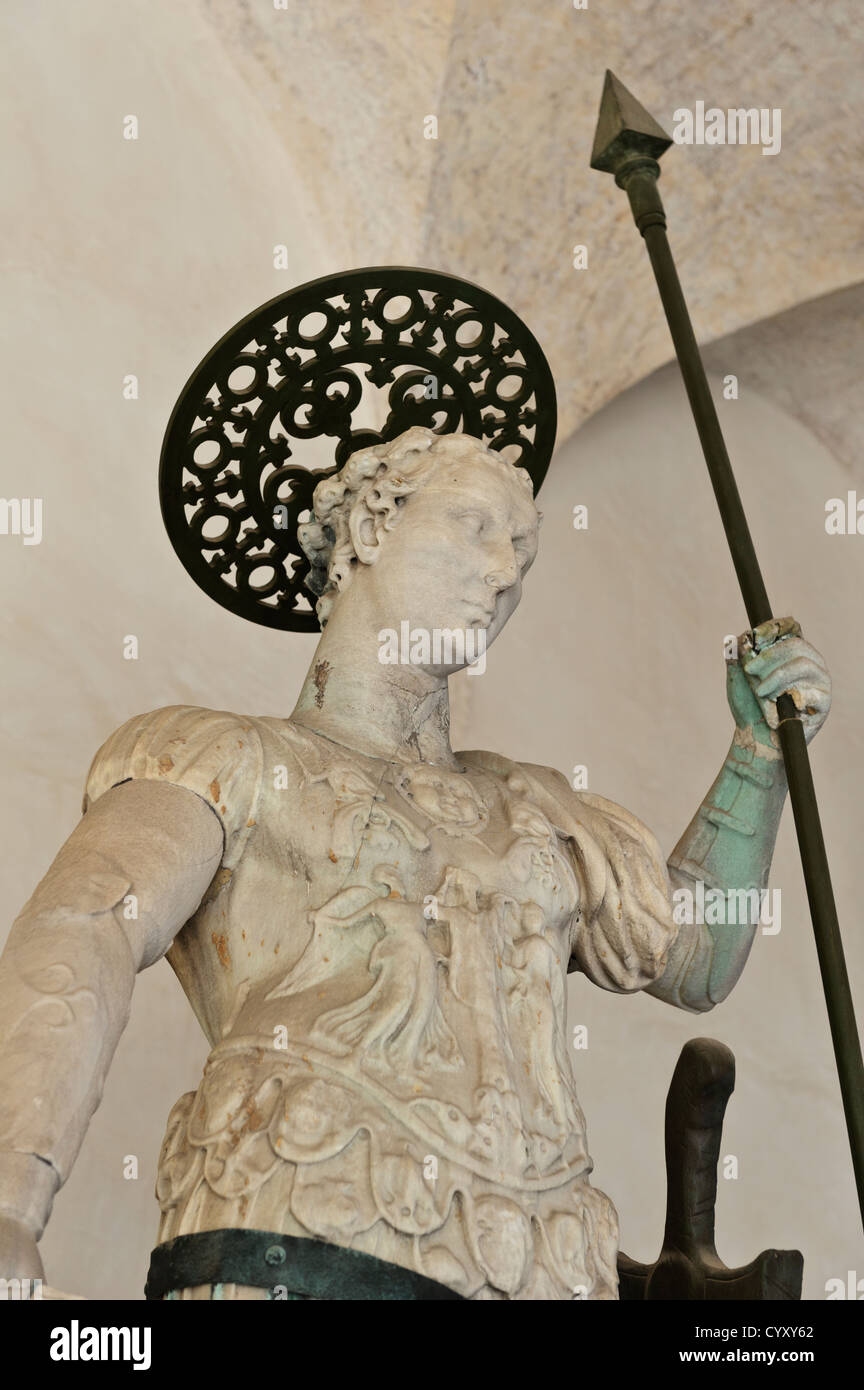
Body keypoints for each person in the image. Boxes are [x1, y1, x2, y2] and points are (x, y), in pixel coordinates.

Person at [0, 425, 831, 1299]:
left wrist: (757, 756)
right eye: (475, 526)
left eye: (524, 550)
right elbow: (84, 926)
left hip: (542, 1260)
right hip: (308, 1215)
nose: (506, 572)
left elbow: (693, 956)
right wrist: (14, 1205)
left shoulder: (534, 802)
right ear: (365, 533)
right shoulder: (227, 757)